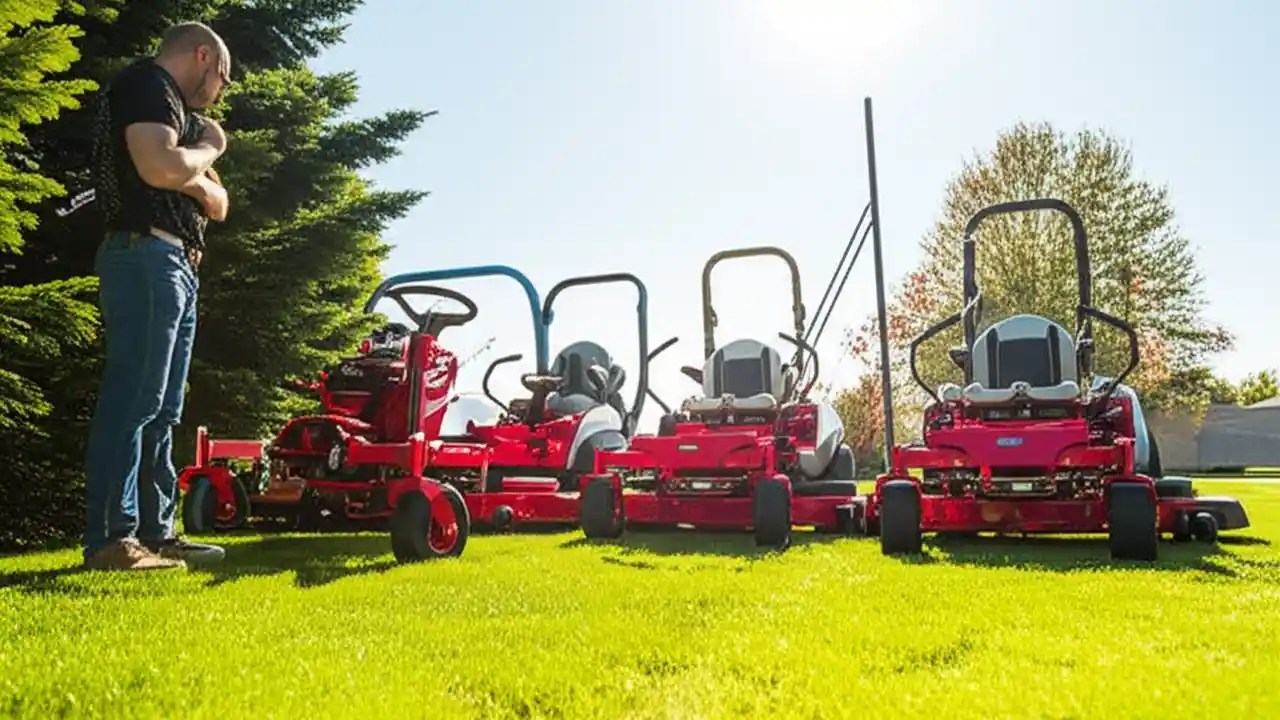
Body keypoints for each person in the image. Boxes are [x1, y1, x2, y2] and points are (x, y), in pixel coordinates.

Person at [82, 22, 233, 570]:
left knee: (164, 408)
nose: (220, 92)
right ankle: (110, 538)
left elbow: (219, 204)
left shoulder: (177, 114)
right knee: (135, 399)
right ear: (202, 56)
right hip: (146, 256)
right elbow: (157, 166)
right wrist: (206, 151)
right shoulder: (148, 87)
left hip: (175, 265)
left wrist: (184, 173)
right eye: (222, 77)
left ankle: (154, 532)